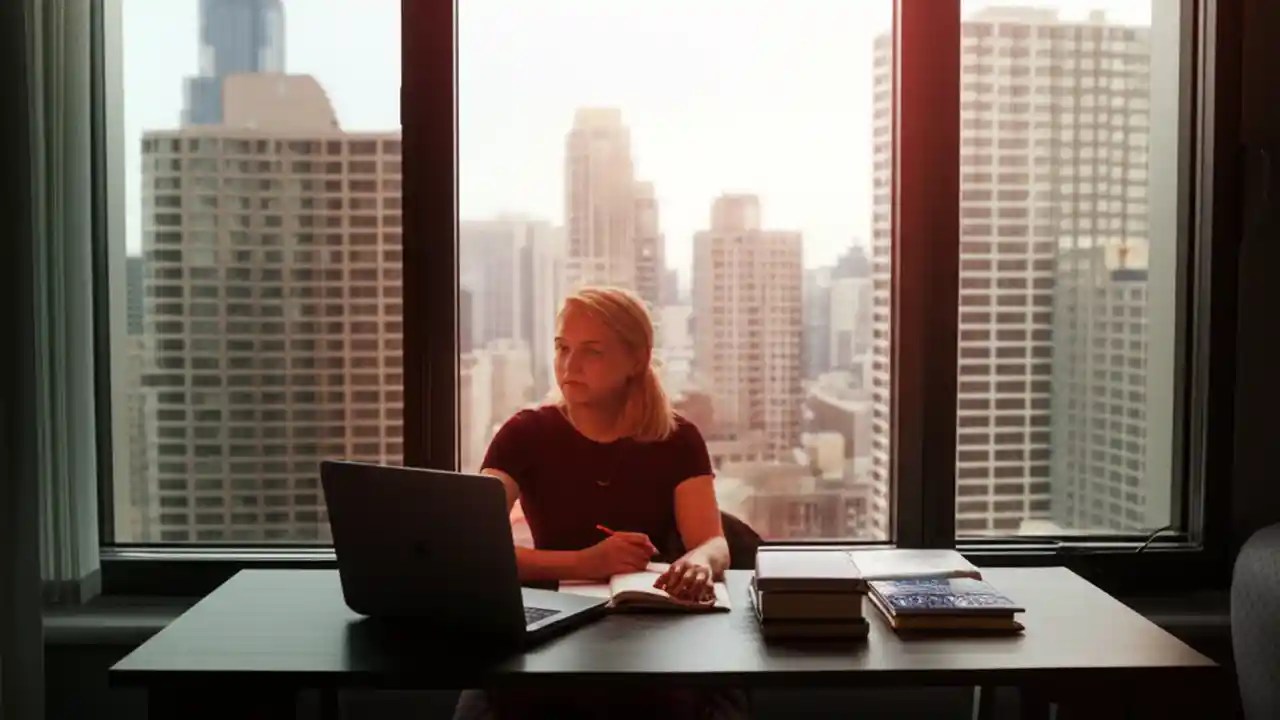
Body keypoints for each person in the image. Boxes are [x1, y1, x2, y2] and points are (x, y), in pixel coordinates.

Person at [453, 286, 746, 720]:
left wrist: (700, 561)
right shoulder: (524, 433)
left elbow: (713, 541)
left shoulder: (678, 439)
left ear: (636, 360)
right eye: (562, 348)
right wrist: (585, 563)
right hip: (551, 624)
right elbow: (475, 551)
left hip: (652, 622)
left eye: (591, 352)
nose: (569, 365)